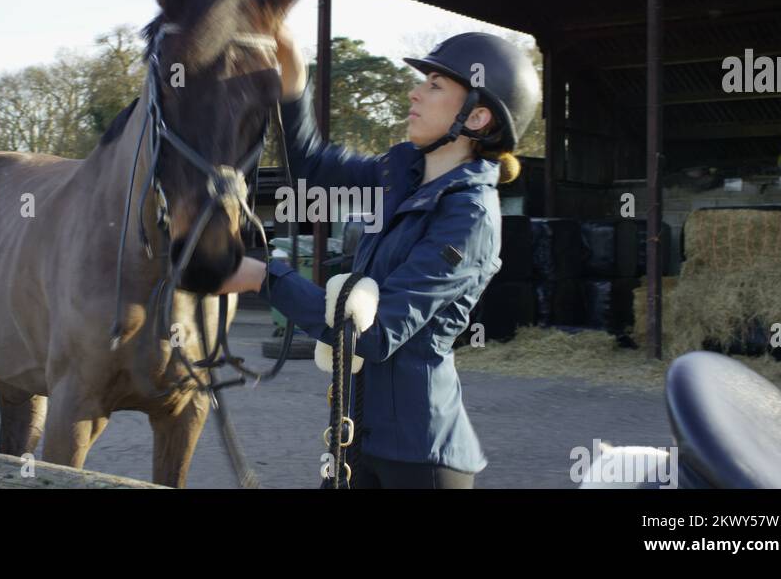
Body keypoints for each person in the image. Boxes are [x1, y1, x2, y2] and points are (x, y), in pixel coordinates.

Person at [217, 27, 541, 488]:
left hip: (420, 462)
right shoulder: (398, 172)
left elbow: (377, 333)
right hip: (354, 442)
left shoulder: (470, 218)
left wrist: (265, 278)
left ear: (476, 117)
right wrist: (292, 69)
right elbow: (311, 164)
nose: (414, 93)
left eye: (434, 86)